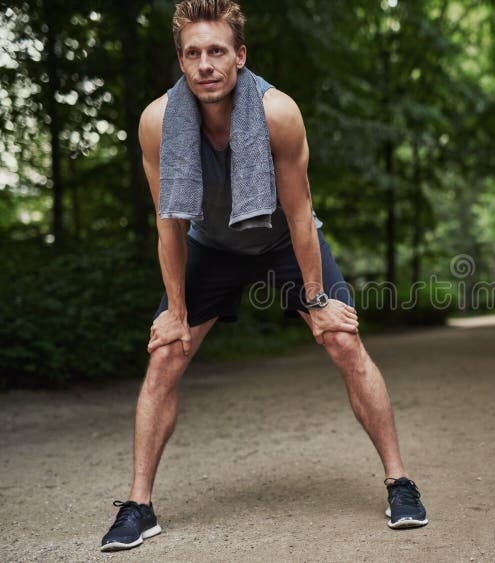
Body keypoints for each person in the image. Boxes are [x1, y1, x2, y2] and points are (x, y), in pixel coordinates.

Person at [99, 0, 427, 552]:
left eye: (217, 51)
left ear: (240, 56)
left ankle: (400, 482)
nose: (206, 64)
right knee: (164, 356)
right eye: (193, 53)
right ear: (180, 62)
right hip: (211, 244)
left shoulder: (278, 112)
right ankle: (138, 505)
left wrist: (318, 299)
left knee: (343, 341)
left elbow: (300, 214)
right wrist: (175, 315)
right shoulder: (158, 122)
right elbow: (170, 226)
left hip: (279, 235)